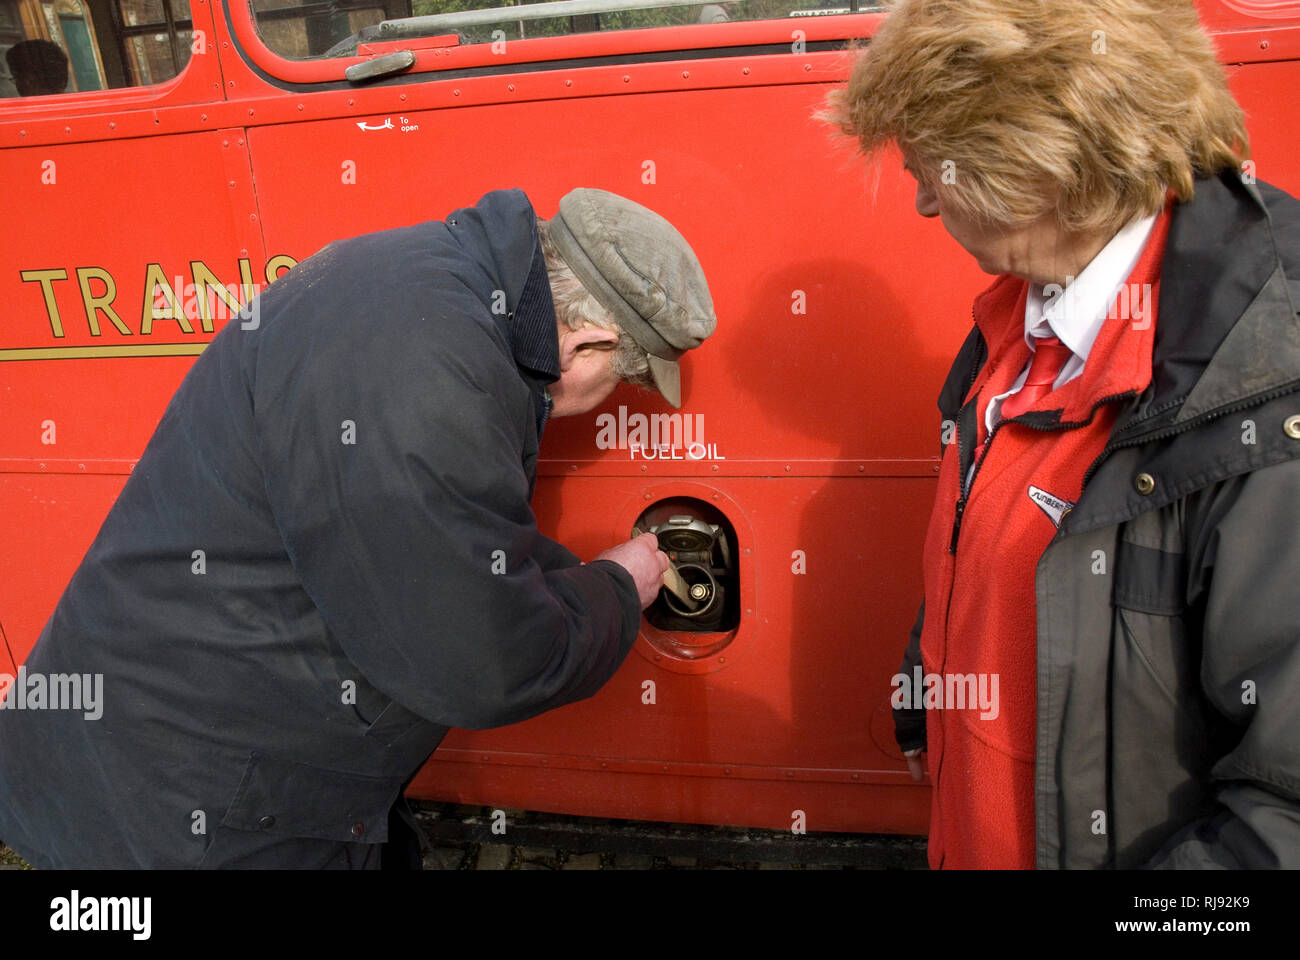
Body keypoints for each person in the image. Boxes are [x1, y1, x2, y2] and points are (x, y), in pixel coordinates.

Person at [0, 187, 716, 868]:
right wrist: (619, 589)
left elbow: (446, 536)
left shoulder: (425, 280)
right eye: (622, 380)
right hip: (194, 803)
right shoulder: (430, 377)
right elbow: (482, 663)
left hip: (181, 742)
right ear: (587, 345)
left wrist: (572, 579)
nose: (608, 401)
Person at [825, 0, 1300, 868]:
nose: (926, 203)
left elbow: (1283, 816)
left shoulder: (1266, 378)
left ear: (1039, 160)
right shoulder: (1015, 326)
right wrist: (928, 690)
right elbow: (986, 538)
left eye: (933, 167)